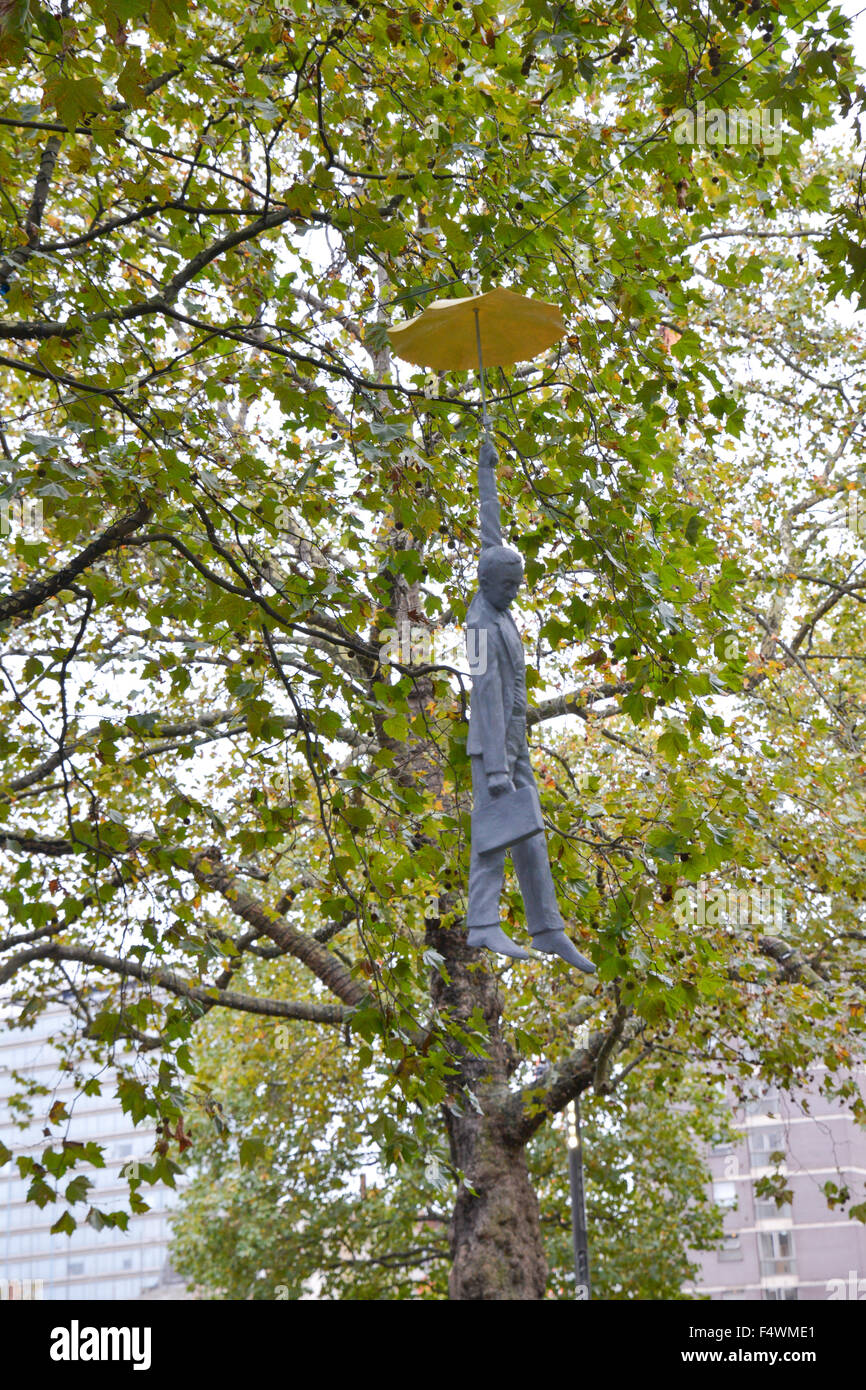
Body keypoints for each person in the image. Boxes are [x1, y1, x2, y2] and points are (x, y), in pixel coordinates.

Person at [464, 437, 595, 972]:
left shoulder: (496, 586)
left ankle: (547, 928)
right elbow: (485, 697)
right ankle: (482, 925)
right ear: (488, 583)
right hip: (492, 747)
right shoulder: (478, 623)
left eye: (520, 584)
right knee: (495, 833)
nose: (517, 592)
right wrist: (497, 768)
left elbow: (488, 531)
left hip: (515, 740)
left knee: (531, 833)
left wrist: (486, 469)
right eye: (511, 586)